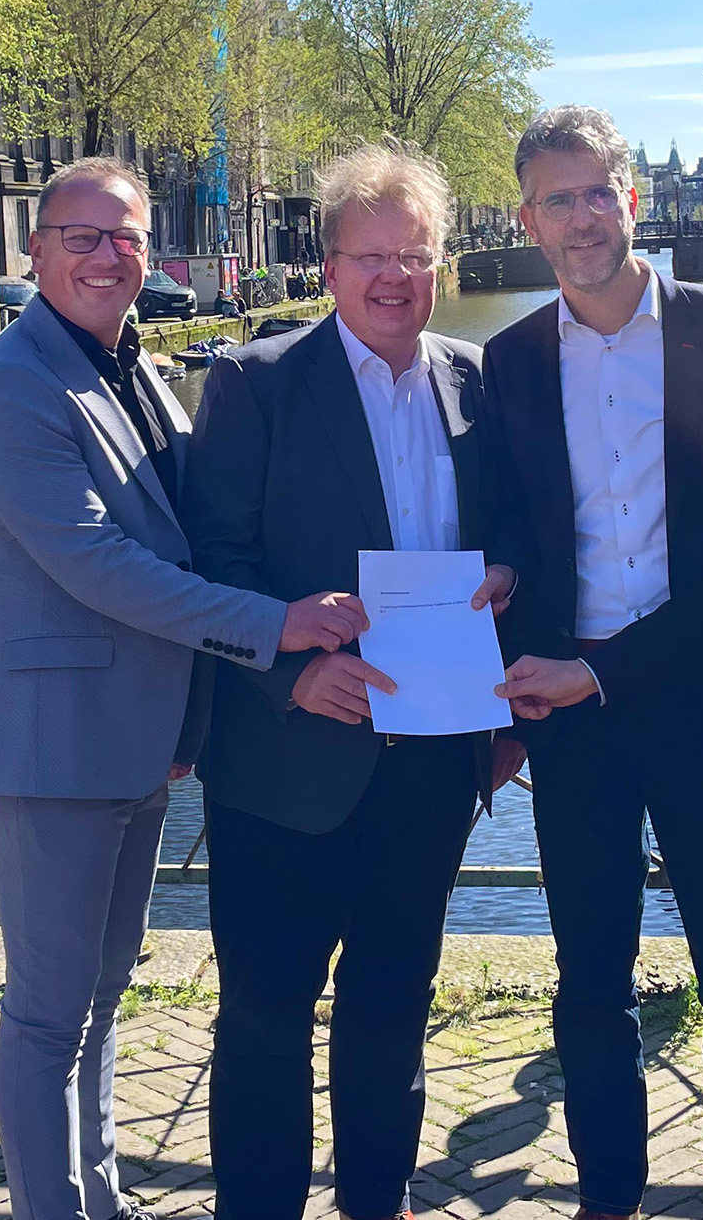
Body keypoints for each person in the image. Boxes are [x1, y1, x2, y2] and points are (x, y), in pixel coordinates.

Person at [0, 155, 371, 1220]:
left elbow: (200, 509)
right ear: (34, 253)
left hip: (137, 735)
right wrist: (276, 627)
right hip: (53, 744)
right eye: (80, 237)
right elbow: (102, 566)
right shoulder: (9, 387)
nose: (105, 256)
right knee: (48, 1013)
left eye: (124, 236)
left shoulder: (124, 365)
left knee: (100, 994)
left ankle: (102, 1198)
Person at [181, 143, 525, 1220]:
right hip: (285, 762)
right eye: (369, 256)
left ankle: (377, 1202)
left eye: (414, 256)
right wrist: (290, 677)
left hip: (427, 765)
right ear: (326, 268)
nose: (393, 279)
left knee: (392, 1010)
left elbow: (513, 524)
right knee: (265, 1020)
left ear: (441, 265)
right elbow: (209, 564)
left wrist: (511, 570)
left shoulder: (473, 381)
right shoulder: (255, 381)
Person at [484, 106, 703, 1220]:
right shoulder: (509, 360)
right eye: (554, 199)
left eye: (596, 191)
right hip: (573, 719)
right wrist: (496, 581)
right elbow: (520, 525)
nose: (580, 218)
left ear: (634, 197)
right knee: (589, 982)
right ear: (527, 220)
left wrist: (605, 672)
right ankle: (607, 1198)